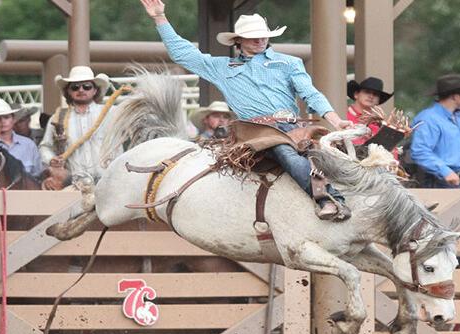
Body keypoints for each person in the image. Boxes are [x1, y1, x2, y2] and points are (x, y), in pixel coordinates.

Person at [141, 0, 355, 220]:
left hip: (293, 127)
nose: (261, 40)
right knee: (285, 153)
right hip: (256, 130)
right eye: (254, 37)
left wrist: (336, 121)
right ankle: (328, 198)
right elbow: (183, 53)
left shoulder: (289, 63)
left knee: (337, 152)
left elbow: (311, 93)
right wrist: (160, 18)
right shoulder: (222, 67)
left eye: (263, 35)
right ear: (238, 41)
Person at [39, 65, 120, 189]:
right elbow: (45, 147)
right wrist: (51, 159)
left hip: (110, 182)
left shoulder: (112, 112)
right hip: (74, 184)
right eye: (75, 87)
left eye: (87, 86)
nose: (81, 90)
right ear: (68, 92)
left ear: (95, 90)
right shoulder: (57, 117)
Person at [410, 73, 460, 189]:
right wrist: (445, 171)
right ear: (455, 96)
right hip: (440, 182)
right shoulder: (429, 118)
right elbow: (419, 151)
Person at [0, 98, 43, 178]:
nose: (2, 121)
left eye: (6, 117)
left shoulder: (28, 145)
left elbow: (38, 176)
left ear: (13, 120)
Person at [346, 76, 394, 146]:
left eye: (375, 94)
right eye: (367, 92)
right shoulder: (342, 115)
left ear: (378, 100)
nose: (371, 96)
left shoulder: (380, 125)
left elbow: (391, 150)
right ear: (356, 94)